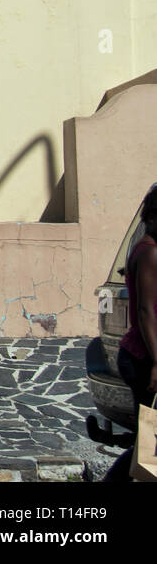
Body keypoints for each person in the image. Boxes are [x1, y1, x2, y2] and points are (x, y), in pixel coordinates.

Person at [105, 187, 157, 481]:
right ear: (151, 216)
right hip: (143, 356)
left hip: (140, 354)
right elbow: (146, 312)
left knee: (149, 439)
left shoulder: (143, 248)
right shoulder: (149, 252)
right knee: (151, 440)